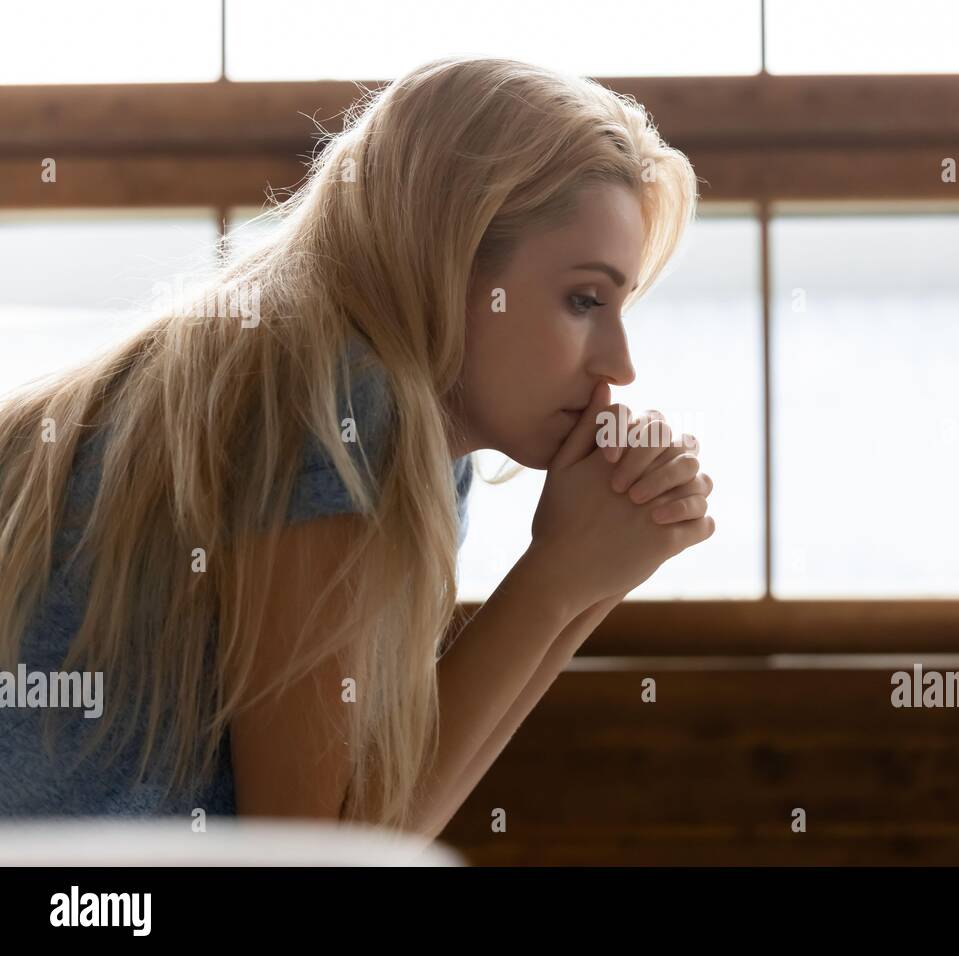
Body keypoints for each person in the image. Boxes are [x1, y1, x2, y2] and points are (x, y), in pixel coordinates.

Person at [0, 56, 714, 838]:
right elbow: (320, 858)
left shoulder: (417, 447)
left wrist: (586, 578)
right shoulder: (335, 401)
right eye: (584, 299)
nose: (620, 363)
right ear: (450, 257)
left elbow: (372, 832)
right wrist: (557, 579)